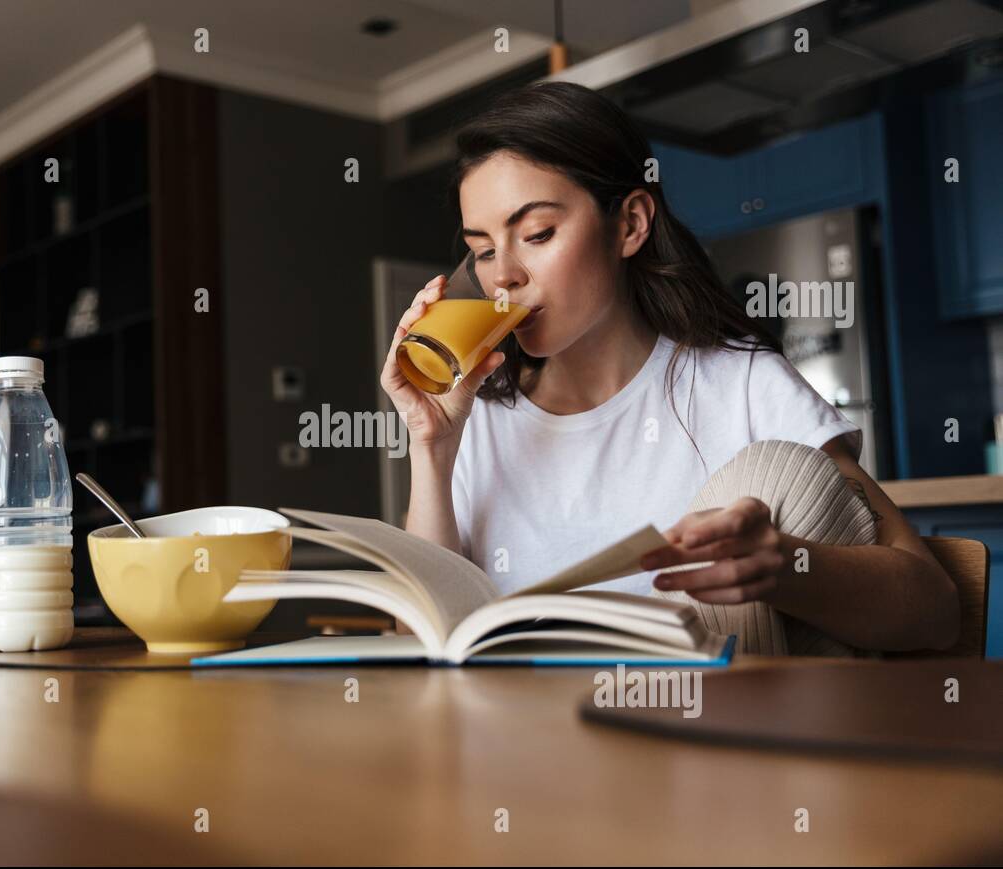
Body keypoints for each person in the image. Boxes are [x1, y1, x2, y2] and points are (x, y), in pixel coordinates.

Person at [379, 82, 957, 656]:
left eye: (537, 234)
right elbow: (420, 642)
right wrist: (431, 447)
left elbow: (935, 610)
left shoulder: (743, 385)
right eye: (482, 250)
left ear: (630, 224)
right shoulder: (478, 418)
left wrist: (787, 569)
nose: (503, 275)